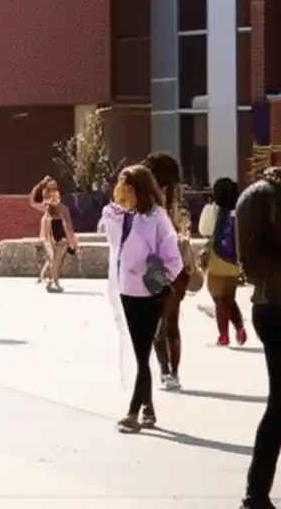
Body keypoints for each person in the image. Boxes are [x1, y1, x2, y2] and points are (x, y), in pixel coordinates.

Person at [99, 164, 183, 433]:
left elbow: (174, 260)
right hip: (126, 292)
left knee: (142, 354)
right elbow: (111, 238)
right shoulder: (122, 216)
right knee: (139, 354)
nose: (123, 189)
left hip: (149, 294)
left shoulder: (157, 218)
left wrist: (155, 280)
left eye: (128, 185)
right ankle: (149, 408)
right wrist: (117, 205)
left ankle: (134, 411)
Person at [238, 167, 281, 509]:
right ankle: (255, 494)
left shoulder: (260, 195)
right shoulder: (265, 197)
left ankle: (257, 493)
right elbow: (256, 262)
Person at [144, 151, 192, 392]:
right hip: (179, 268)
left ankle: (164, 371)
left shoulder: (149, 203)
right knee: (172, 321)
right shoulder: (178, 200)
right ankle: (174, 373)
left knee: (157, 323)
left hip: (155, 266)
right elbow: (185, 229)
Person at [200, 177, 245, 347]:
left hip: (217, 259)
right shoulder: (240, 211)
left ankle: (224, 335)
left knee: (219, 299)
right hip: (234, 262)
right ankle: (240, 327)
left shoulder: (213, 210)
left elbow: (204, 230)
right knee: (229, 298)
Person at [30, 176, 78, 292]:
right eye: (50, 190)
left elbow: (67, 225)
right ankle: (52, 281)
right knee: (54, 259)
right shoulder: (48, 209)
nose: (53, 192)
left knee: (56, 259)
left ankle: (51, 280)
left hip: (58, 235)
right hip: (50, 235)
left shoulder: (61, 209)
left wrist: (71, 240)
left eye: (55, 189)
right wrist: (40, 184)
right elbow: (32, 202)